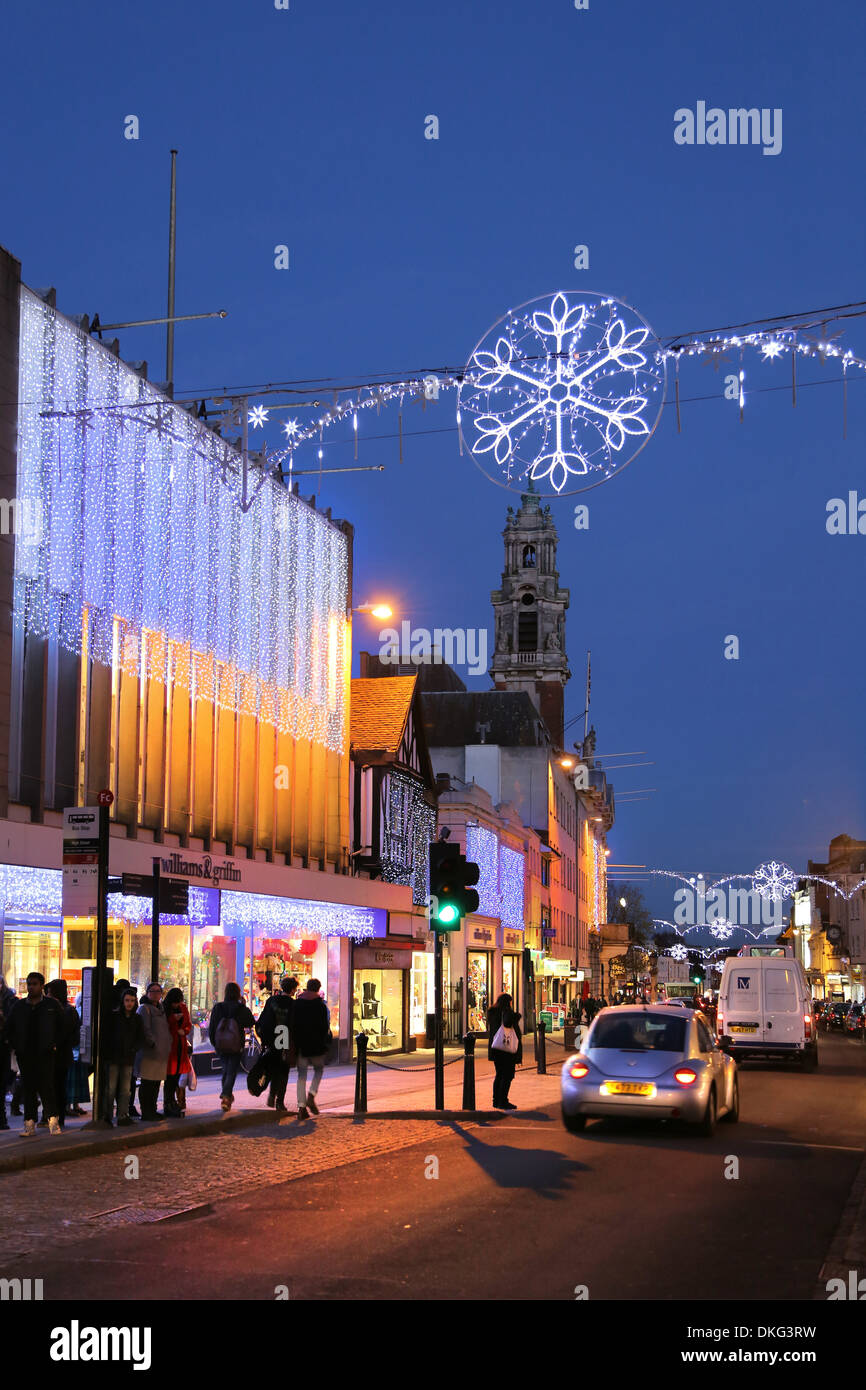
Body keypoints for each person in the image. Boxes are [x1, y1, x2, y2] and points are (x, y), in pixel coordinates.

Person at [6, 972, 63, 1136]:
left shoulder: (51, 1005)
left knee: (47, 1087)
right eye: (29, 984)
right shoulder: (20, 1006)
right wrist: (16, 1045)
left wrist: (54, 1044)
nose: (31, 987)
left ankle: (53, 1121)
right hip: (26, 1053)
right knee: (29, 1088)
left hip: (45, 1053)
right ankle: (29, 1123)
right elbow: (10, 1027)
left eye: (34, 984)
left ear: (42, 986)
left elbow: (62, 1027)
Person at [209, 983, 254, 1112]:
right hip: (236, 1044)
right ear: (238, 993)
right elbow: (251, 1022)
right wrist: (243, 1006)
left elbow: (212, 1026)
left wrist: (215, 1043)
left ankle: (226, 1094)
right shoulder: (240, 1008)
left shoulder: (218, 1007)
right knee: (232, 1070)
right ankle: (226, 1096)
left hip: (221, 1044)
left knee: (225, 1069)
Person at [256, 977, 298, 1113]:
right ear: (292, 989)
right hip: (285, 1039)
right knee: (283, 1071)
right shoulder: (293, 1005)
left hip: (271, 1039)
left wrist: (263, 1038)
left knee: (273, 1068)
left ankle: (272, 1094)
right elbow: (295, 1025)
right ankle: (279, 1101)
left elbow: (263, 1020)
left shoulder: (271, 1001)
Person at [292, 979, 331, 1121]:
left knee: (301, 1076)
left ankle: (301, 1107)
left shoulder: (297, 1003)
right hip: (316, 1045)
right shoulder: (320, 1006)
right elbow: (324, 1026)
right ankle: (311, 1095)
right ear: (318, 989)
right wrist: (324, 1042)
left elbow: (293, 1024)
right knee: (318, 1070)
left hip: (301, 1045)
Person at [43, 980, 79, 1129]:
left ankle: (57, 1117)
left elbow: (71, 1035)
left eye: (50, 992)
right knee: (52, 1086)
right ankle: (52, 1116)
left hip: (60, 1054)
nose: (48, 995)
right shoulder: (55, 1009)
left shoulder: (67, 1011)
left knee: (57, 1087)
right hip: (55, 1054)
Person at [105, 989, 144, 1125]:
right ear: (122, 1001)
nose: (129, 1003)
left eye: (132, 1001)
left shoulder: (137, 1018)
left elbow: (140, 1036)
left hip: (128, 1057)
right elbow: (108, 1035)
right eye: (127, 1000)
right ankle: (108, 1116)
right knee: (111, 1088)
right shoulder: (115, 1016)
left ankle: (122, 1115)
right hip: (114, 1057)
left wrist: (134, 1049)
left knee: (125, 1090)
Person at [137, 982, 172, 1120]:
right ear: (147, 992)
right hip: (150, 1053)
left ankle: (153, 1109)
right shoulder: (144, 1009)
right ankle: (147, 1111)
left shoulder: (161, 1009)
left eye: (159, 991)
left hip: (161, 1053)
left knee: (156, 1083)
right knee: (148, 1083)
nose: (156, 994)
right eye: (153, 991)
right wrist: (152, 1043)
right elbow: (145, 1029)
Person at [487, 991, 523, 1111]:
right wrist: (516, 1016)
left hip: (496, 1048)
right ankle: (503, 1101)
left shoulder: (493, 1012)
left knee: (499, 1075)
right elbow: (507, 1023)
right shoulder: (506, 1012)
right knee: (507, 1075)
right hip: (506, 1050)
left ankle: (496, 1100)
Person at [163, 987, 193, 1117]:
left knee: (177, 1076)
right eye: (175, 1002)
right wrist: (174, 1021)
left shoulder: (183, 1008)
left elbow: (188, 1024)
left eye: (178, 1002)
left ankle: (174, 1102)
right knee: (170, 1076)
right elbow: (163, 1026)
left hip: (180, 1045)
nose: (177, 1005)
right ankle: (168, 1102)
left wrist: (184, 1031)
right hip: (170, 1045)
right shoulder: (164, 1009)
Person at [65, 990, 91, 1117]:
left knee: (76, 1080)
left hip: (80, 1050)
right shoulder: (79, 1012)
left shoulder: (81, 1012)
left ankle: (74, 1105)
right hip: (76, 1050)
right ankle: (70, 1105)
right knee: (73, 1080)